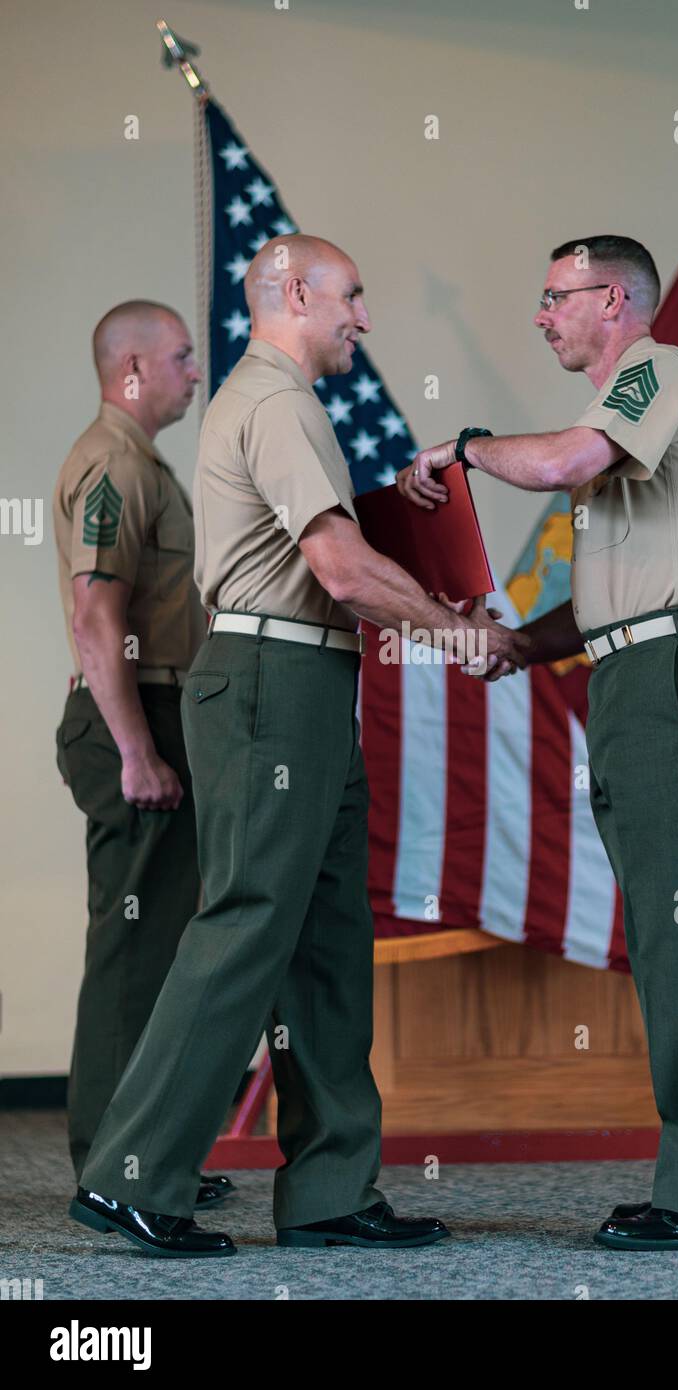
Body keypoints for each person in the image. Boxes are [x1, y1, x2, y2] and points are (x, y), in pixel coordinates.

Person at [70, 236, 528, 1258]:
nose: (362, 319)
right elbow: (338, 569)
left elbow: (327, 553)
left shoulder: (284, 403)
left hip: (307, 680)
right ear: (291, 296)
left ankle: (327, 1190)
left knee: (326, 940)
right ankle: (134, 1177)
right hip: (274, 680)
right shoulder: (275, 400)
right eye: (350, 297)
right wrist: (459, 632)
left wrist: (400, 546)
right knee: (247, 925)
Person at [397, 234, 678, 1252]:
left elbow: (563, 463)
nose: (540, 314)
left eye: (554, 297)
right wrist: (521, 645)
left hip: (673, 679)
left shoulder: (654, 371)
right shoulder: (618, 413)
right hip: (636, 672)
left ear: (612, 300)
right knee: (666, 935)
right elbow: (612, 598)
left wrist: (465, 447)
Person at [53, 301, 234, 1210]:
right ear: (131, 366)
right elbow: (98, 614)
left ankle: (141, 1153)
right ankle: (114, 1166)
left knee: (158, 948)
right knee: (133, 950)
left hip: (161, 713)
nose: (195, 372)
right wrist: (136, 751)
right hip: (136, 717)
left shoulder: (139, 459)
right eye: (181, 357)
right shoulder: (117, 462)